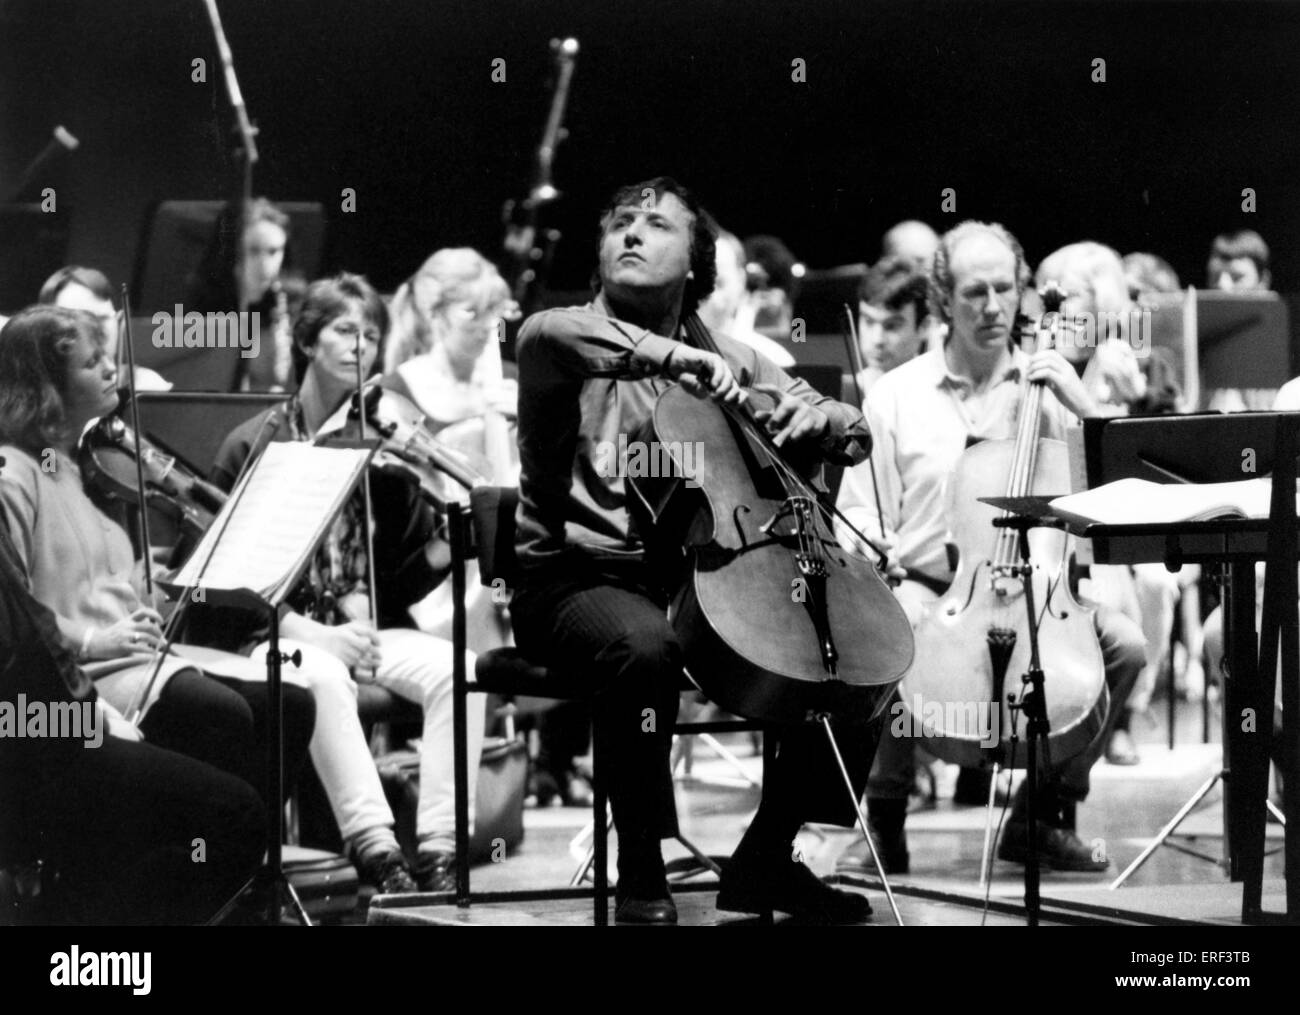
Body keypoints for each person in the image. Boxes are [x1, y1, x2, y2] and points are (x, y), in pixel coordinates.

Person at [510, 176, 882, 925]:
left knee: (858, 647)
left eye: (655, 224)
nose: (632, 234)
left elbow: (839, 420)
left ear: (695, 263)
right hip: (574, 583)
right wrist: (667, 359)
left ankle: (766, 859)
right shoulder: (564, 341)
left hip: (696, 583)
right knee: (644, 648)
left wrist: (833, 424)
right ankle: (642, 867)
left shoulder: (731, 357)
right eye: (619, 223)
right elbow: (540, 336)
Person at [834, 221, 1146, 876]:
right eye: (974, 291)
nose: (993, 306)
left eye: (1005, 289)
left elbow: (1109, 508)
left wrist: (1086, 407)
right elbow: (854, 508)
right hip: (925, 583)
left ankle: (1041, 813)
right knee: (896, 622)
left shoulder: (1049, 389)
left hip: (1035, 587)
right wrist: (870, 544)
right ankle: (884, 820)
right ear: (943, 298)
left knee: (1125, 645)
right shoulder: (893, 397)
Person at [205, 272, 487, 894]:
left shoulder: (379, 448)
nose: (359, 345)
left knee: (462, 670)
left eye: (370, 334)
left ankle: (440, 849)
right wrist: (312, 632)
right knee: (324, 673)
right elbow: (221, 587)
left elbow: (402, 580)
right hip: (277, 634)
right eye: (343, 330)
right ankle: (379, 852)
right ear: (308, 341)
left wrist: (444, 539)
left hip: (363, 632)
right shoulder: (253, 443)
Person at [0, 305, 315, 824]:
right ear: (47, 387)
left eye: (108, 357)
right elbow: (18, 612)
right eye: (91, 362)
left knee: (290, 705)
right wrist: (91, 639)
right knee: (221, 714)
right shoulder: (16, 474)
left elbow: (100, 582)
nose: (111, 370)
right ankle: (204, 856)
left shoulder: (79, 468)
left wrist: (157, 588)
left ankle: (243, 869)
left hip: (138, 655)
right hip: (86, 672)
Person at [0, 496, 265, 925]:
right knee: (236, 816)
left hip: (29, 722)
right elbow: (24, 644)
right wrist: (87, 716)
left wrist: (89, 705)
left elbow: (30, 642)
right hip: (24, 738)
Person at [186, 197, 299, 392]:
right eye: (253, 251)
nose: (265, 266)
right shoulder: (203, 307)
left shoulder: (293, 303)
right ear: (231, 253)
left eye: (273, 252)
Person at [39, 265, 170, 392]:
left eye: (101, 320)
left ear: (119, 322)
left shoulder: (145, 384)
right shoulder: (35, 393)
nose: (92, 332)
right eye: (74, 324)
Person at [699, 229, 797, 368]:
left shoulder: (774, 359)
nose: (708, 297)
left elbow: (795, 332)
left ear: (741, 279)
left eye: (719, 283)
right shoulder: (663, 353)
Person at [854, 255, 931, 398]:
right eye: (868, 321)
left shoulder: (938, 398)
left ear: (925, 327)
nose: (877, 340)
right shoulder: (841, 394)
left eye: (891, 326)